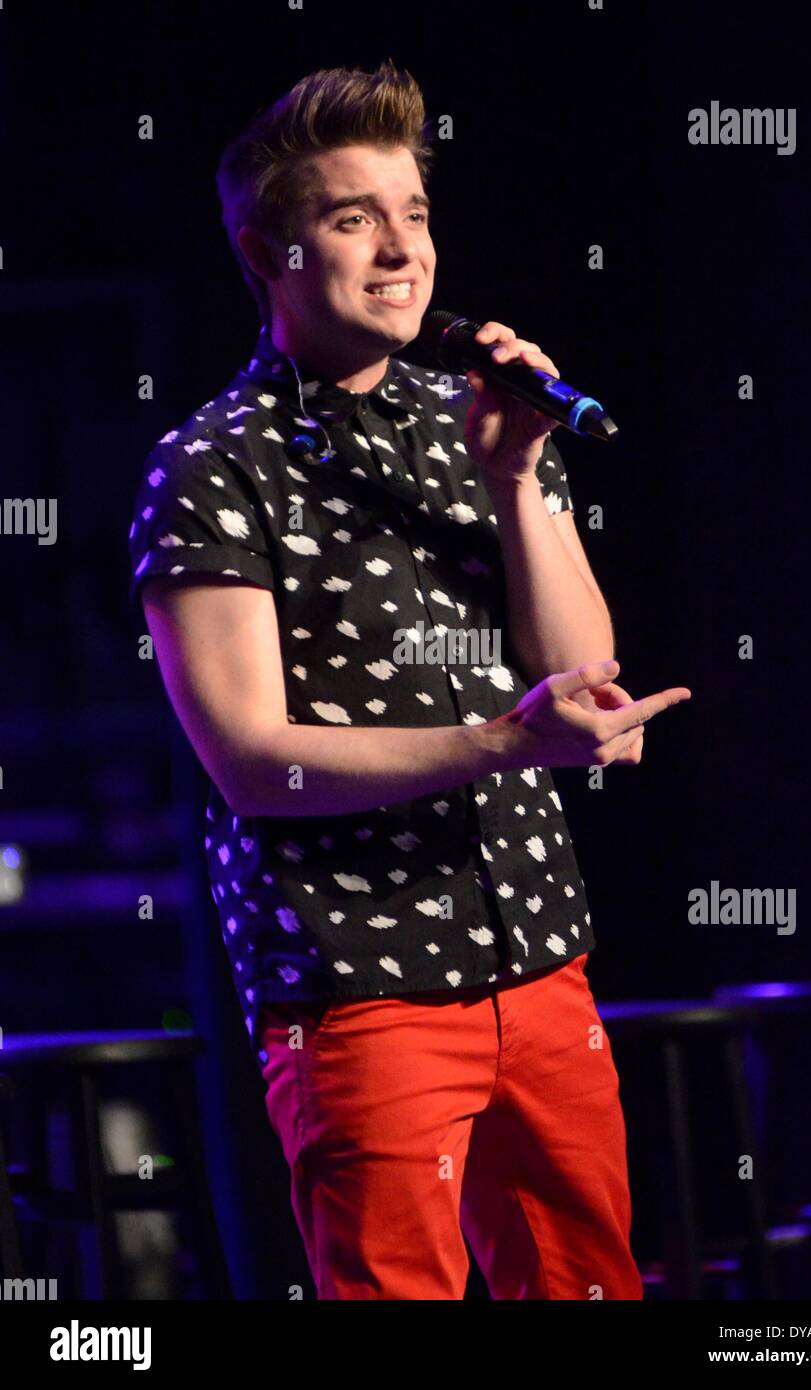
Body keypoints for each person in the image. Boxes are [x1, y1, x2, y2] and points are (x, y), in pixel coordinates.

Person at [128, 58, 691, 1300]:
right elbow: (252, 761)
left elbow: (582, 674)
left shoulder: (477, 419)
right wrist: (502, 742)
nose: (398, 249)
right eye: (350, 219)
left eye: (413, 214)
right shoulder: (213, 467)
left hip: (540, 956)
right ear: (264, 253)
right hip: (359, 985)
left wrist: (512, 481)